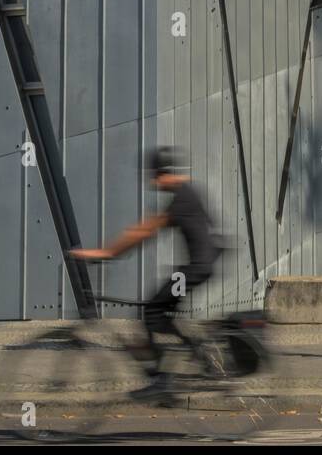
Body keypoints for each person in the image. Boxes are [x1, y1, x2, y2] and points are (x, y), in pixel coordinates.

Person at [70, 146, 223, 400]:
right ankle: (195, 352)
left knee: (151, 311)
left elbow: (144, 231)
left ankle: (161, 380)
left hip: (195, 270)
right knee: (158, 313)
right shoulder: (186, 192)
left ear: (162, 173)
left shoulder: (182, 197)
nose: (153, 183)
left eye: (154, 177)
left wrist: (105, 253)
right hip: (198, 268)